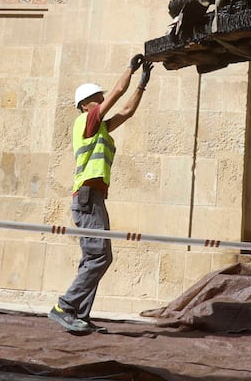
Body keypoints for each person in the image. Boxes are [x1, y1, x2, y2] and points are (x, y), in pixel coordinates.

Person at [48, 53, 153, 334]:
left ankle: (80, 314)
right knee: (99, 258)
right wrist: (130, 69)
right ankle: (64, 307)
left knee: (93, 258)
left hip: (92, 198)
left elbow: (127, 111)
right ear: (85, 105)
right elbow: (118, 93)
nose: (101, 100)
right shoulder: (87, 121)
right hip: (87, 197)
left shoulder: (99, 128)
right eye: (97, 97)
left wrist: (142, 84)